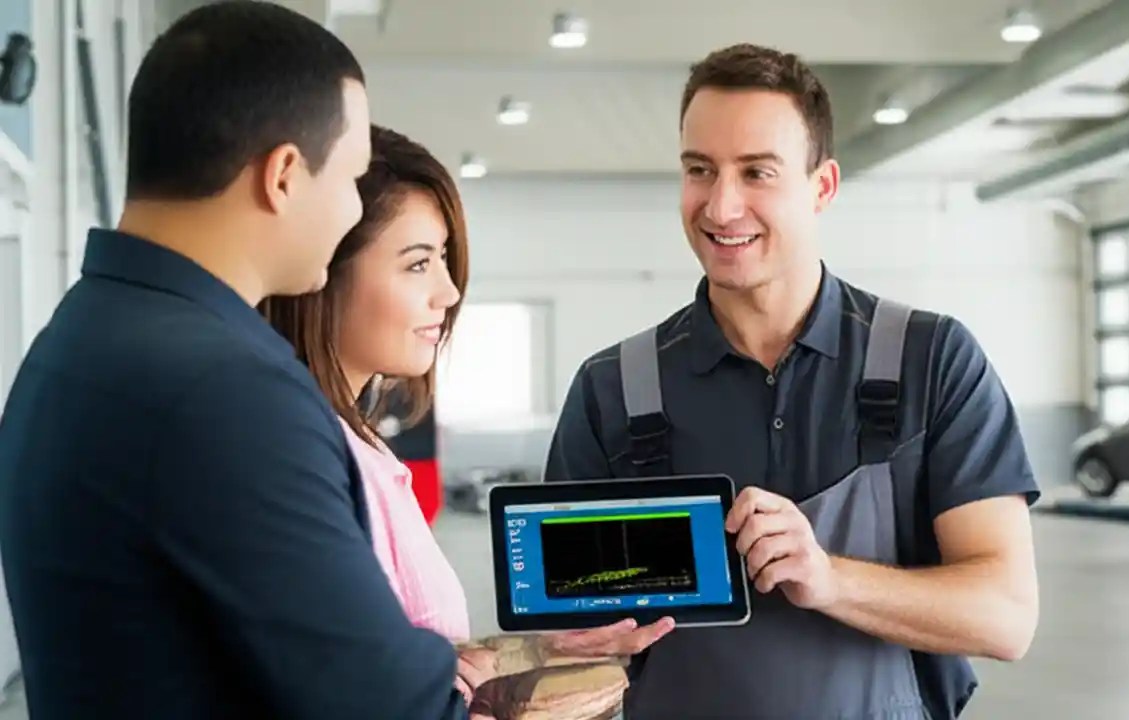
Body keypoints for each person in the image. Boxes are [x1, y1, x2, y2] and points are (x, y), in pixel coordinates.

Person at [544, 43, 1041, 720]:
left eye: (757, 172)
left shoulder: (931, 360)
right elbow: (567, 645)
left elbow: (1007, 617)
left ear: (822, 186)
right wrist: (555, 651)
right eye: (700, 170)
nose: (721, 206)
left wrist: (831, 579)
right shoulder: (613, 389)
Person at [0, 3, 456, 718]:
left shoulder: (77, 338)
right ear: (283, 175)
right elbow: (383, 701)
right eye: (349, 179)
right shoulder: (228, 389)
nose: (349, 212)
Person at [259, 124, 673, 717]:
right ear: (325, 266)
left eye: (444, 261)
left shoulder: (360, 447)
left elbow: (408, 661)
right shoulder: (301, 459)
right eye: (418, 264)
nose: (449, 292)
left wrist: (543, 650)